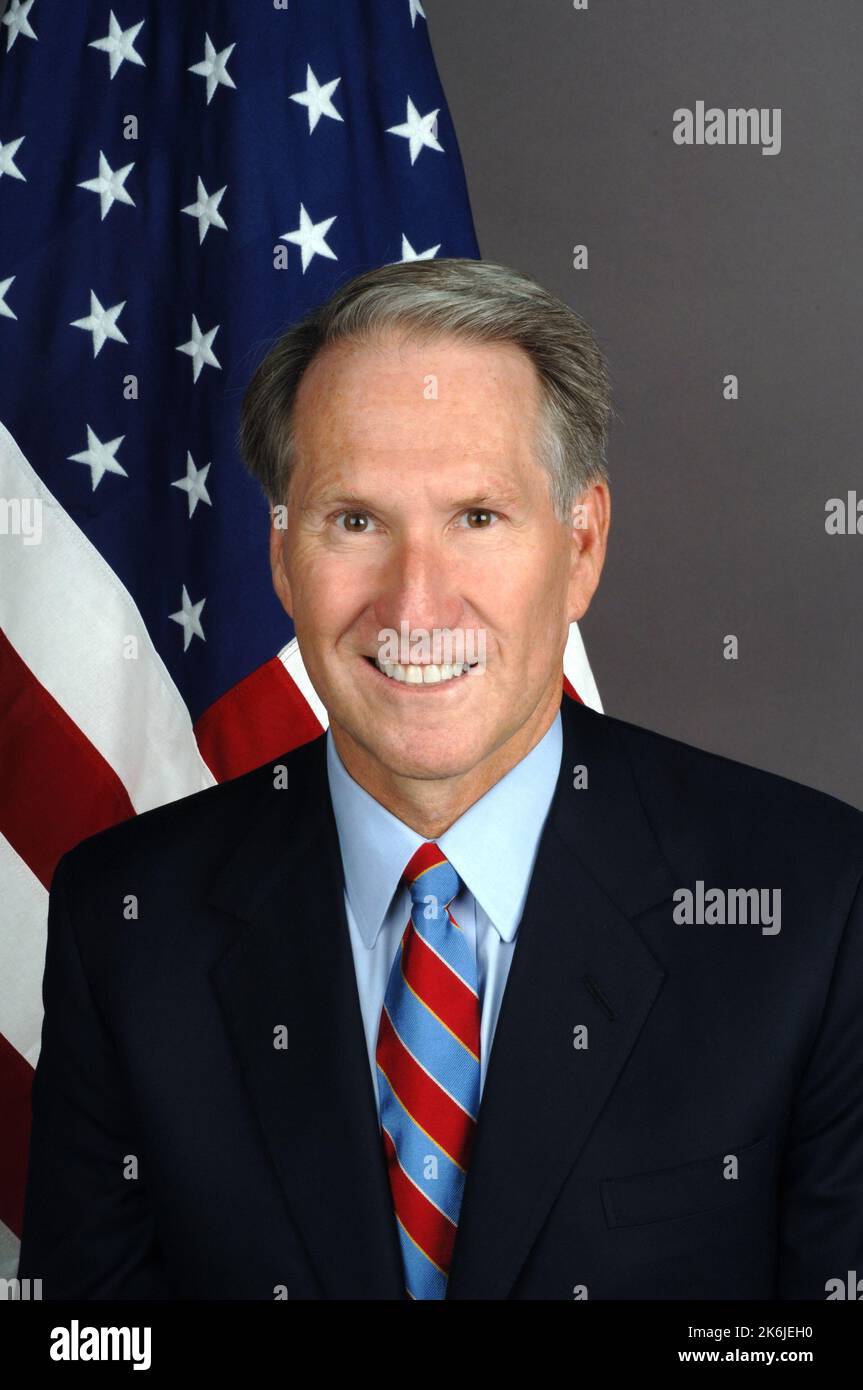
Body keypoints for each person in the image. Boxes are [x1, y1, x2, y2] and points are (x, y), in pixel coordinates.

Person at [18, 259, 863, 1300]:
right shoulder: (127, 919)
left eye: (475, 516)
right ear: (282, 558)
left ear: (581, 543)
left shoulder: (811, 904)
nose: (414, 602)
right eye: (355, 520)